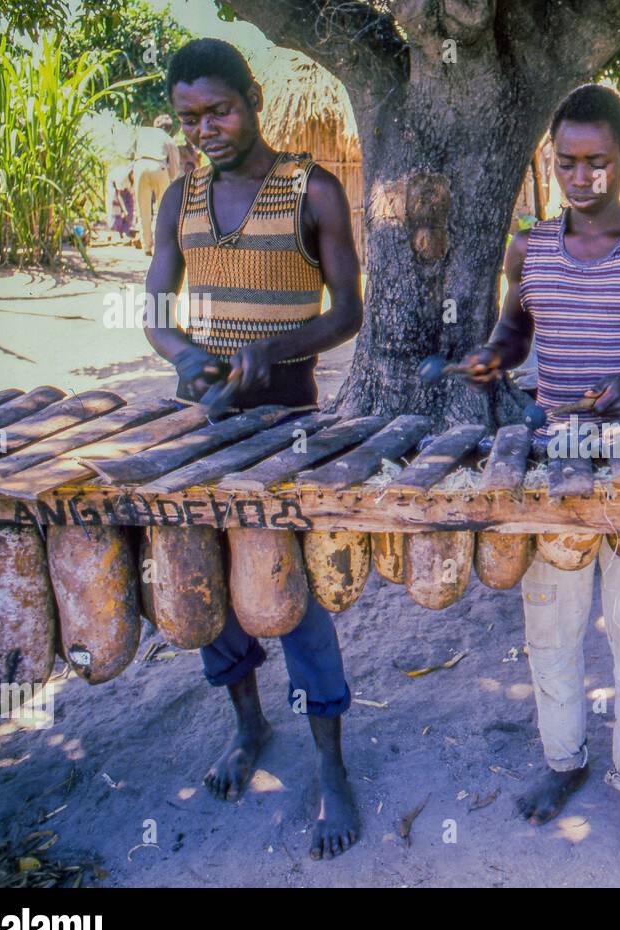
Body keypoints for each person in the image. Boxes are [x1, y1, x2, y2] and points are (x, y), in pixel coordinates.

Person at [460, 84, 620, 855]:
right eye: (568, 163)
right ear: (553, 160)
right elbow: (514, 331)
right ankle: (564, 760)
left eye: (598, 163)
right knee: (551, 626)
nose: (583, 178)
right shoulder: (531, 248)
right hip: (555, 459)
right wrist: (492, 357)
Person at [141, 39, 364, 860]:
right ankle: (248, 727)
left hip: (283, 423)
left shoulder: (314, 190)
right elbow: (156, 313)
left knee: (288, 595)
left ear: (254, 100)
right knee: (205, 589)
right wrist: (183, 355)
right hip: (203, 420)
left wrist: (282, 347)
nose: (206, 129)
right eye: (190, 117)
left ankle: (332, 767)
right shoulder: (178, 199)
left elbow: (348, 312)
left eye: (220, 110)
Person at [130, 115, 179, 256]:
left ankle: (146, 246)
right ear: (169, 129)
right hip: (159, 166)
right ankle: (160, 245)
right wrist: (170, 179)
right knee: (161, 209)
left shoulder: (143, 133)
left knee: (143, 209)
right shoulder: (168, 139)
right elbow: (174, 167)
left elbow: (131, 150)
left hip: (140, 166)